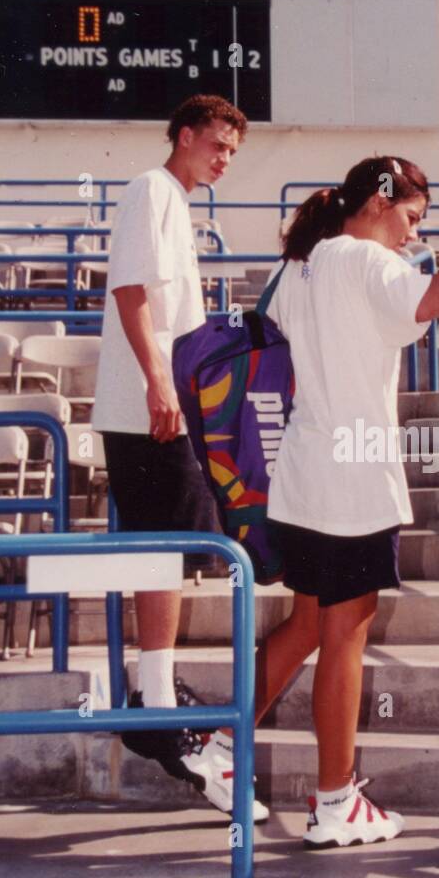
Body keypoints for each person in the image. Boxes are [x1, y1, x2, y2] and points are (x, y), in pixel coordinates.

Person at [261, 156, 439, 849]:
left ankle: (218, 742)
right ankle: (335, 800)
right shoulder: (364, 260)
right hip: (351, 479)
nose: (412, 235)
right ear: (380, 202)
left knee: (308, 623)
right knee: (345, 634)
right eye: (410, 217)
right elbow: (424, 301)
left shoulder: (299, 264)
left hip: (304, 472)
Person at [92, 93, 284, 819]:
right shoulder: (152, 191)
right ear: (182, 136)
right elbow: (131, 293)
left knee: (169, 551)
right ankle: (158, 703)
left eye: (232, 150)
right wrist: (158, 384)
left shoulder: (177, 205)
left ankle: (158, 697)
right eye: (215, 144)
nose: (223, 159)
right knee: (160, 549)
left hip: (166, 404)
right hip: (148, 409)